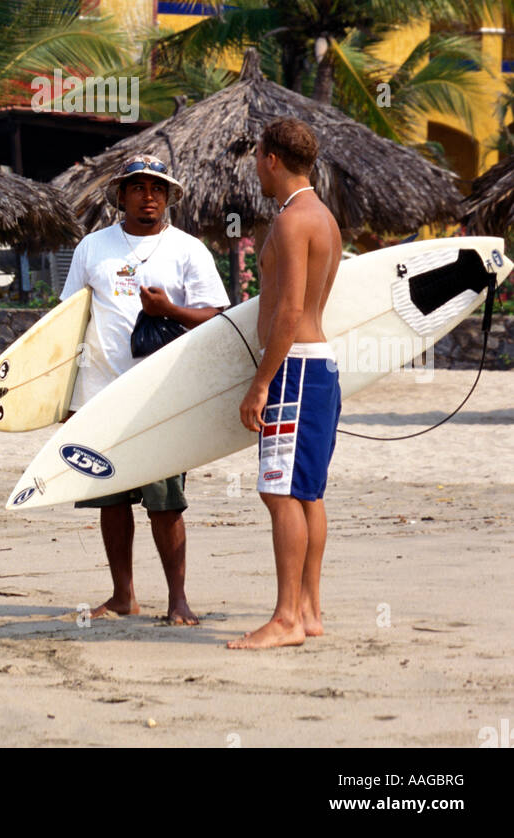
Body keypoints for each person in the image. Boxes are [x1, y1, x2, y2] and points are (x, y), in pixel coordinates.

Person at [60, 154, 229, 625]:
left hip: (162, 397)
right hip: (100, 393)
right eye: (137, 188)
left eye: (157, 188)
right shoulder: (92, 248)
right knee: (110, 501)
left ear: (170, 196)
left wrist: (170, 310)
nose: (148, 196)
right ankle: (122, 596)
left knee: (165, 502)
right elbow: (68, 321)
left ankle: (178, 599)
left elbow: (219, 317)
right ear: (121, 196)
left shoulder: (189, 250)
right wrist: (66, 401)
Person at [229, 117, 342, 651]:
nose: (256, 167)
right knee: (308, 493)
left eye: (257, 157)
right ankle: (310, 610)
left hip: (294, 369)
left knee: (279, 493)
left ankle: (285, 620)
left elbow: (290, 310)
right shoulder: (325, 217)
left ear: (272, 159)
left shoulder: (293, 221)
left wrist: (260, 383)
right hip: (318, 365)